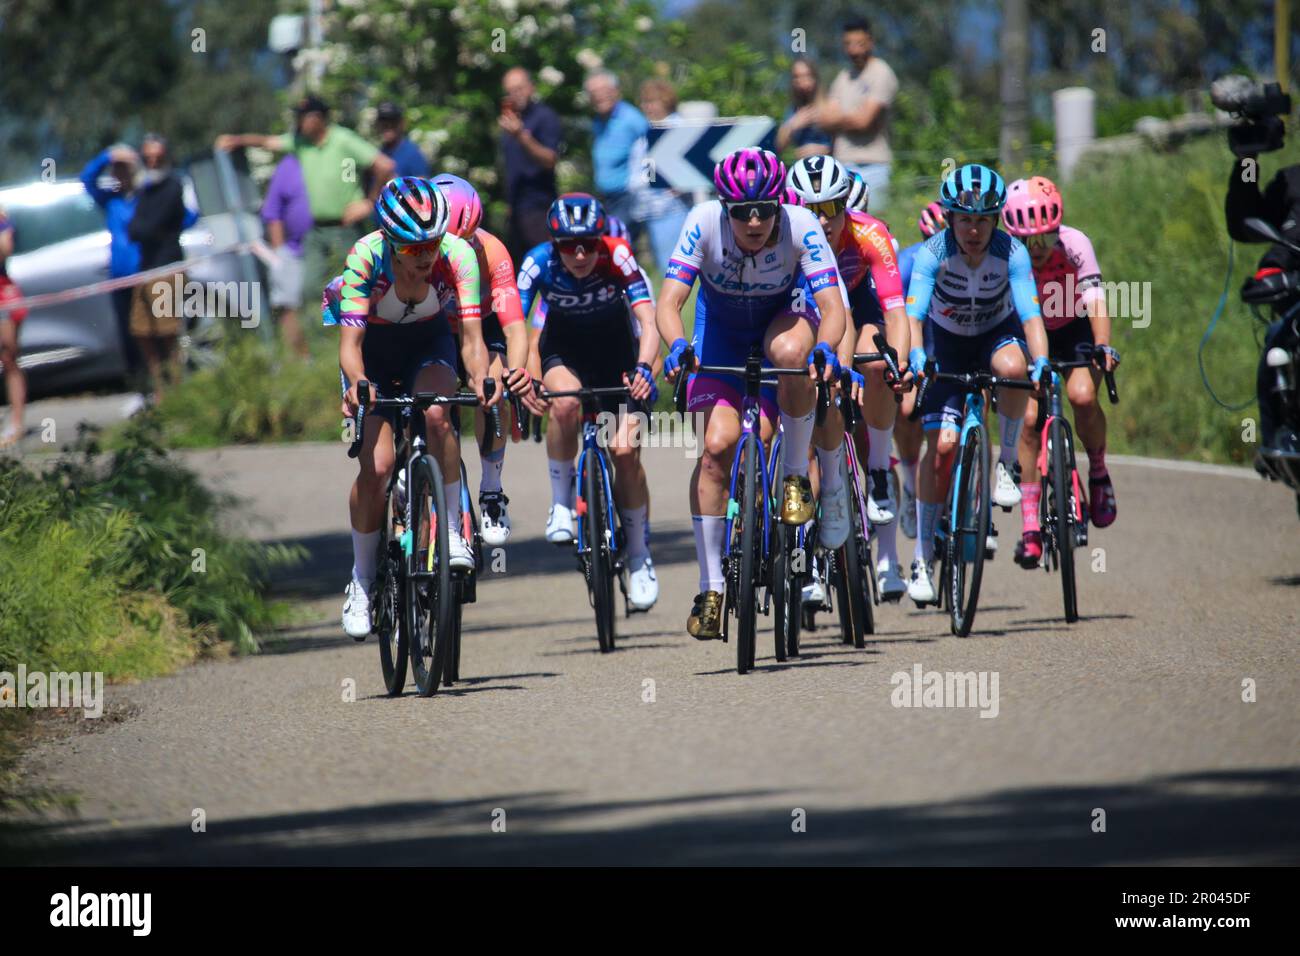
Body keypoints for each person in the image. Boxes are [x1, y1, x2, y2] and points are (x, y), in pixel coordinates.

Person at [657, 148, 848, 640]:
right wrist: (677, 344)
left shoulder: (802, 224)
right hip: (719, 339)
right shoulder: (702, 223)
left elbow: (832, 307)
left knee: (788, 354)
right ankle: (712, 587)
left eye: (766, 208)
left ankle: (792, 480)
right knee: (719, 449)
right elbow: (670, 302)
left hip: (778, 327)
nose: (756, 220)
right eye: (743, 212)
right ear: (725, 209)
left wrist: (825, 347)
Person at [324, 177, 493, 640]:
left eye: (433, 244)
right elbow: (350, 345)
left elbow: (473, 342)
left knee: (439, 414)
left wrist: (481, 380)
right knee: (376, 468)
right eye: (414, 249)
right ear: (391, 243)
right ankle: (361, 579)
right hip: (373, 353)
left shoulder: (457, 255)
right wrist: (359, 384)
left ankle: (454, 530)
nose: (427, 257)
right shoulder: (365, 257)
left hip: (428, 344)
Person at [904, 163, 1050, 605]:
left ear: (996, 219)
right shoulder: (932, 252)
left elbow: (1029, 315)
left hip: (993, 335)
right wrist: (914, 358)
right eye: (965, 219)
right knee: (943, 450)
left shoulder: (1012, 252)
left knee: (1013, 366)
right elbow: (912, 316)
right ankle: (923, 556)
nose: (974, 229)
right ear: (950, 218)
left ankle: (1006, 462)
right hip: (946, 346)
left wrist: (1040, 359)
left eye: (984, 219)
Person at [517, 193, 662, 610]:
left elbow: (648, 322)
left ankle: (638, 555)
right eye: (568, 245)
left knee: (624, 450)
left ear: (602, 238)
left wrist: (643, 368)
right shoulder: (538, 262)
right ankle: (562, 505)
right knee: (563, 404)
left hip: (618, 355)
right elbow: (518, 326)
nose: (579, 253)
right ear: (554, 243)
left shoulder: (618, 256)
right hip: (565, 351)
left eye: (589, 243)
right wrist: (523, 375)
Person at [786, 155, 912, 601]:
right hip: (807, 309)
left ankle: (878, 467)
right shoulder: (788, 235)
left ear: (845, 206)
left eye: (831, 210)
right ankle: (804, 558)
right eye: (811, 210)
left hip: (858, 306)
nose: (822, 220)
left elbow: (896, 310)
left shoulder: (869, 234)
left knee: (877, 362)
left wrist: (899, 360)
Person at [1000, 176, 1119, 567]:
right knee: (1030, 420)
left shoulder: (1075, 243)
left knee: (1083, 396)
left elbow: (1096, 299)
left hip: (1072, 328)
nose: (1037, 249)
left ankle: (1098, 473)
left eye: (1045, 239)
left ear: (1056, 230)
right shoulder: (1002, 254)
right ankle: (1031, 525)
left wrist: (1102, 345)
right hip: (1026, 332)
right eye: (1027, 241)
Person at [217, 94, 397, 334]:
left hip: (344, 229)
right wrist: (238, 140)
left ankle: (377, 332)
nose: (300, 122)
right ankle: (331, 339)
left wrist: (369, 201)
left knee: (363, 283)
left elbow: (384, 166)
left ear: (319, 117)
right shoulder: (301, 143)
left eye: (304, 117)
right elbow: (268, 142)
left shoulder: (343, 139)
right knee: (310, 289)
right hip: (317, 231)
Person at [432, 172, 547, 546]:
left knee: (493, 384)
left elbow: (515, 329)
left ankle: (492, 490)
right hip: (434, 330)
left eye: (467, 240)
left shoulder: (492, 251)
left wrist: (515, 373)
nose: (458, 252)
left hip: (481, 327)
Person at [80, 142, 198, 389]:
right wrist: (107, 155)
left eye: (125, 169)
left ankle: (176, 387)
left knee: (166, 334)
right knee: (137, 336)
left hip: (150, 270)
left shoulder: (150, 194)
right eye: (117, 170)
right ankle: (149, 390)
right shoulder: (112, 201)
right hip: (122, 278)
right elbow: (87, 180)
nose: (120, 174)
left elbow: (184, 218)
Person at [1225, 145, 1300, 484]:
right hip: (1296, 302)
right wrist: (1248, 160)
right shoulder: (1292, 181)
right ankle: (1273, 442)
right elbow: (1245, 220)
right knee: (1275, 342)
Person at [891, 200, 948, 540]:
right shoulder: (909, 264)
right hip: (918, 334)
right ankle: (912, 487)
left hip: (956, 337)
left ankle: (970, 496)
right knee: (908, 408)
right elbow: (896, 318)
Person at [126, 134, 190, 402]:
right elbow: (135, 229)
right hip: (146, 268)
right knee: (142, 331)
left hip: (168, 267)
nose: (152, 162)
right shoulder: (143, 190)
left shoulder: (173, 186)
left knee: (167, 334)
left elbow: (148, 227)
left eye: (157, 157)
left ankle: (177, 390)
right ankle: (159, 388)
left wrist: (142, 229)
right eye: (147, 157)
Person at [820, 18, 900, 212]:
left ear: (870, 42)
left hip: (874, 166)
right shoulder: (843, 77)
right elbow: (824, 120)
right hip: (843, 164)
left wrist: (838, 119)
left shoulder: (881, 73)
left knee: (874, 226)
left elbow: (864, 121)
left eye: (859, 43)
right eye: (848, 44)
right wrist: (850, 118)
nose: (854, 50)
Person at [499, 68, 563, 266]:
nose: (515, 94)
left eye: (519, 88)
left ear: (530, 87)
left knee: (547, 264)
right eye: (510, 91)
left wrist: (521, 136)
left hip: (540, 206)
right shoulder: (511, 122)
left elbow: (550, 159)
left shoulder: (545, 117)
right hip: (517, 209)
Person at [585, 72, 651, 249]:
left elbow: (653, 151)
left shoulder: (632, 118)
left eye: (604, 91)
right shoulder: (599, 120)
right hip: (606, 198)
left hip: (627, 196)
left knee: (617, 247)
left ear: (616, 91)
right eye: (593, 93)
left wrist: (650, 183)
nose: (599, 97)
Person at [637, 78, 693, 274]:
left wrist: (682, 182)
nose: (648, 106)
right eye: (645, 102)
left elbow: (691, 166)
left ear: (666, 102)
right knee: (665, 269)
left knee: (675, 270)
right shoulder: (651, 128)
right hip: (653, 209)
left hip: (673, 210)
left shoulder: (676, 127)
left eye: (653, 101)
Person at [260, 153, 313, 357]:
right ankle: (301, 361)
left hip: (326, 247)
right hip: (292, 251)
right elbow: (272, 213)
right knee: (289, 306)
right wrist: (279, 255)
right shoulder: (287, 166)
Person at [0, 206, 28, 448]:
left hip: (3, 292)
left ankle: (16, 423)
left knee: (9, 356)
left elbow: (5, 250)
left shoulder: (3, 219)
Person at [776, 57, 834, 160]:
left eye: (806, 76)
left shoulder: (829, 105)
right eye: (797, 77)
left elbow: (844, 141)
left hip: (829, 165)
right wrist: (793, 125)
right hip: (801, 168)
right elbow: (778, 145)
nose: (802, 81)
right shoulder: (792, 110)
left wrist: (827, 150)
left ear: (815, 77)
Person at [375, 102, 431, 179]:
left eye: (392, 122)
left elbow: (423, 187)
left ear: (402, 124)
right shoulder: (377, 153)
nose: (387, 125)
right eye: (383, 121)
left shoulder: (412, 154)